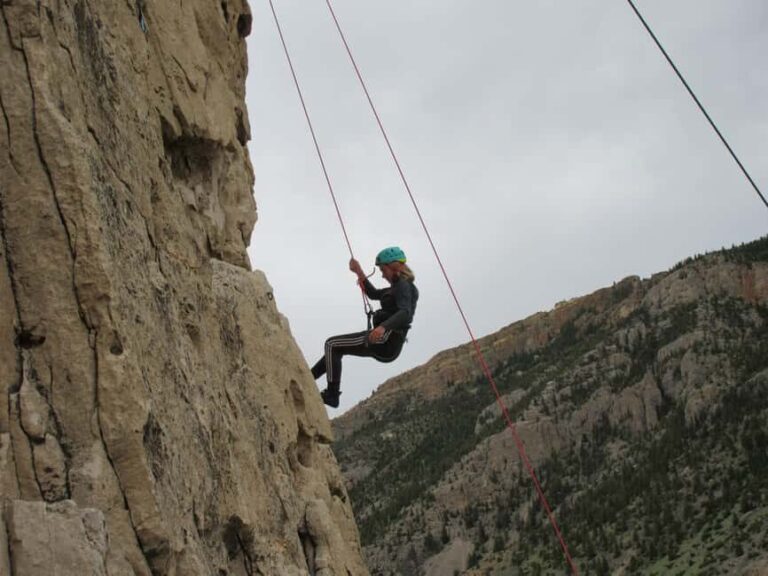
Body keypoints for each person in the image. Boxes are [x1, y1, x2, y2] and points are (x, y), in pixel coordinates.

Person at [311, 246, 419, 408]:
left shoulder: (404, 286)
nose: (382, 275)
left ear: (394, 267)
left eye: (383, 270)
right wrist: (358, 271)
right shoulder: (396, 288)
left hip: (386, 339)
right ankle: (309, 378)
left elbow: (405, 313)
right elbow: (373, 293)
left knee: (332, 344)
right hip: (386, 340)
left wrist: (382, 327)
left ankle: (331, 394)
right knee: (335, 348)